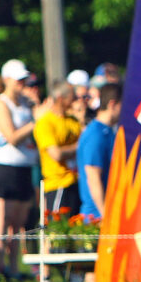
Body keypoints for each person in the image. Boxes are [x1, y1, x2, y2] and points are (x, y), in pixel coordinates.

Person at [0, 59, 39, 281]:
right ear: (6, 80)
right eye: (18, 79)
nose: (22, 83)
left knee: (19, 221)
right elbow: (11, 136)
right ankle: (1, 269)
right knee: (4, 217)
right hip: (6, 165)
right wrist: (35, 122)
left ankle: (15, 268)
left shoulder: (26, 103)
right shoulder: (0, 104)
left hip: (24, 165)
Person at [35, 81, 83, 219]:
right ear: (61, 98)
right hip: (58, 184)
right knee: (57, 231)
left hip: (76, 181)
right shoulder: (46, 123)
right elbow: (56, 154)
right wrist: (77, 147)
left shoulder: (73, 121)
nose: (75, 100)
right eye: (72, 97)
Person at [77, 82, 121, 223]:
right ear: (112, 104)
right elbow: (93, 176)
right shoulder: (95, 134)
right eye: (123, 105)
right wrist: (105, 215)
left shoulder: (108, 131)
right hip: (95, 217)